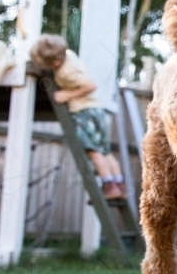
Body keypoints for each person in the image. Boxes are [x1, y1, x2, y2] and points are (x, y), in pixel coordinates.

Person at [30, 34, 125, 201]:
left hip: (84, 112)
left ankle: (108, 186)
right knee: (106, 151)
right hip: (97, 110)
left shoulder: (65, 72)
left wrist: (67, 95)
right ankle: (119, 186)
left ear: (55, 64)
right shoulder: (69, 55)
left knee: (93, 151)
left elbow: (90, 85)